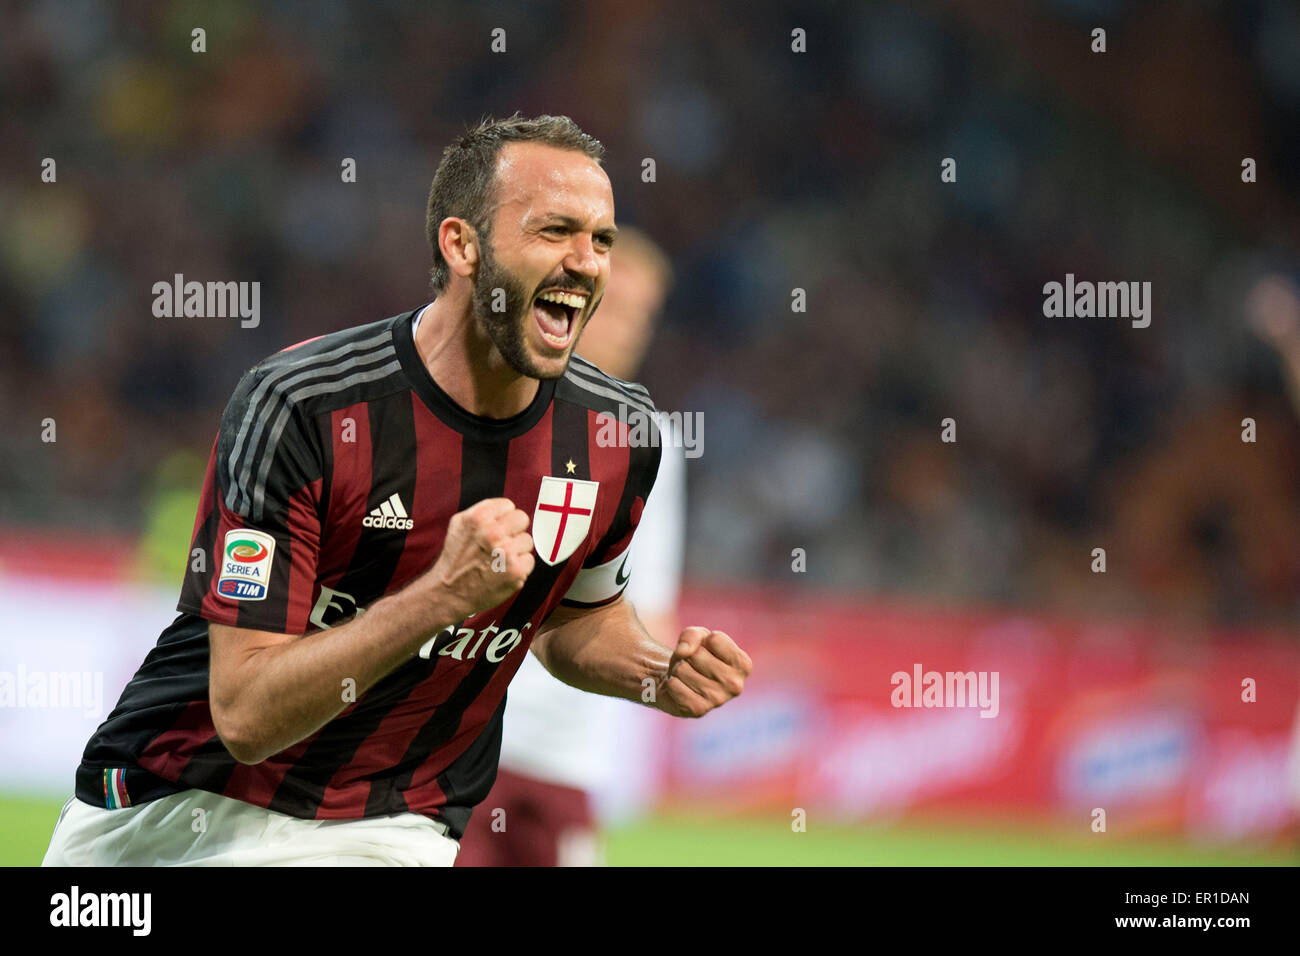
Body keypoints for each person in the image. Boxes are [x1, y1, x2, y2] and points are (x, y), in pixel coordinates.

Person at [42, 114, 751, 867]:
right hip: (170, 808)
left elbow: (578, 621)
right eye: (554, 231)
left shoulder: (618, 434)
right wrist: (441, 595)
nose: (586, 262)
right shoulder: (304, 406)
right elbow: (245, 715)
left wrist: (656, 671)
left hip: (385, 827)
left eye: (602, 239)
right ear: (462, 245)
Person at [456, 227, 683, 866]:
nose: (632, 330)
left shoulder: (650, 440)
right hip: (464, 738)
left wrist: (675, 669)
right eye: (617, 310)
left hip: (567, 755)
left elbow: (649, 604)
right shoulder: (490, 407)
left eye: (646, 316)